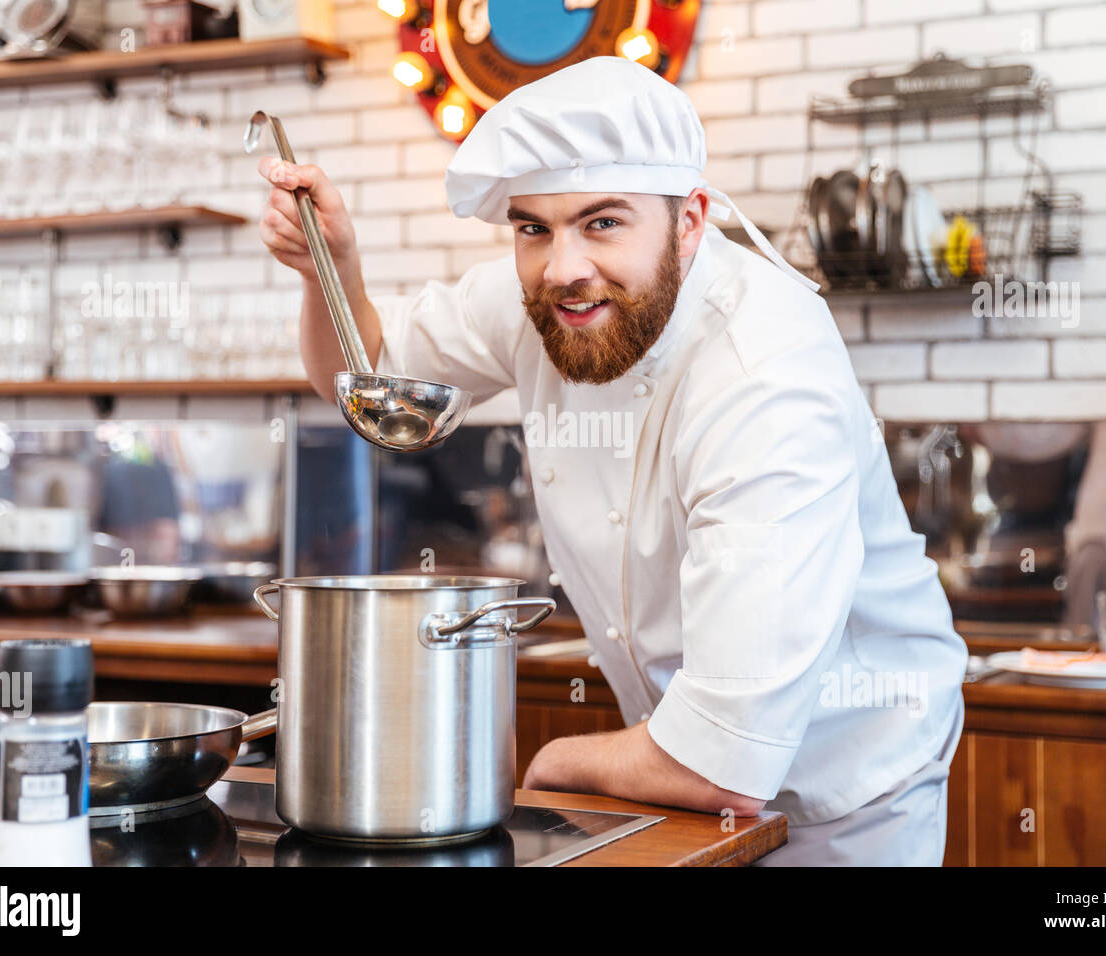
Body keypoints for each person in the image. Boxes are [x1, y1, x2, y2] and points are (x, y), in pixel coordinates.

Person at [257, 56, 967, 865]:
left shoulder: (765, 374)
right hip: (676, 773)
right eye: (533, 227)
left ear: (690, 222)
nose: (563, 267)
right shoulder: (549, 297)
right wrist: (330, 270)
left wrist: (556, 765)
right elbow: (370, 379)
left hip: (845, 793)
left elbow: (722, 765)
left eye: (603, 222)